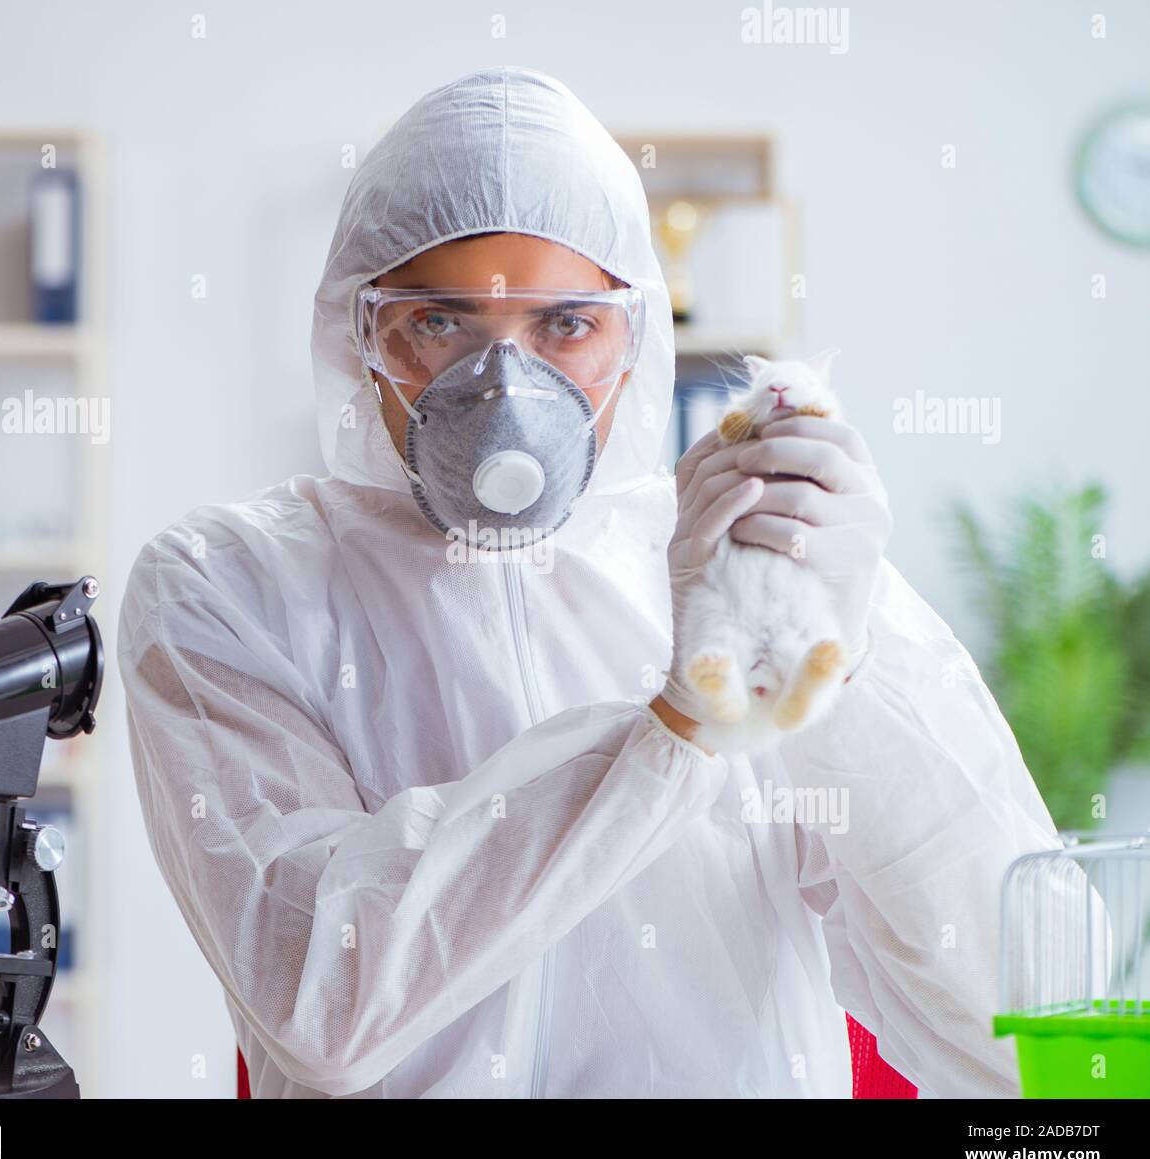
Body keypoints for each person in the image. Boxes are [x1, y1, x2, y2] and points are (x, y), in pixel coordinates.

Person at [118, 65, 1062, 1098]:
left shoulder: (734, 554)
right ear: (361, 333)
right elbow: (321, 1004)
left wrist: (844, 666)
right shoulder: (229, 583)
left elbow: (1016, 1028)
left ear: (632, 335)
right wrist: (676, 728)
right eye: (437, 323)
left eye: (565, 324)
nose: (507, 387)